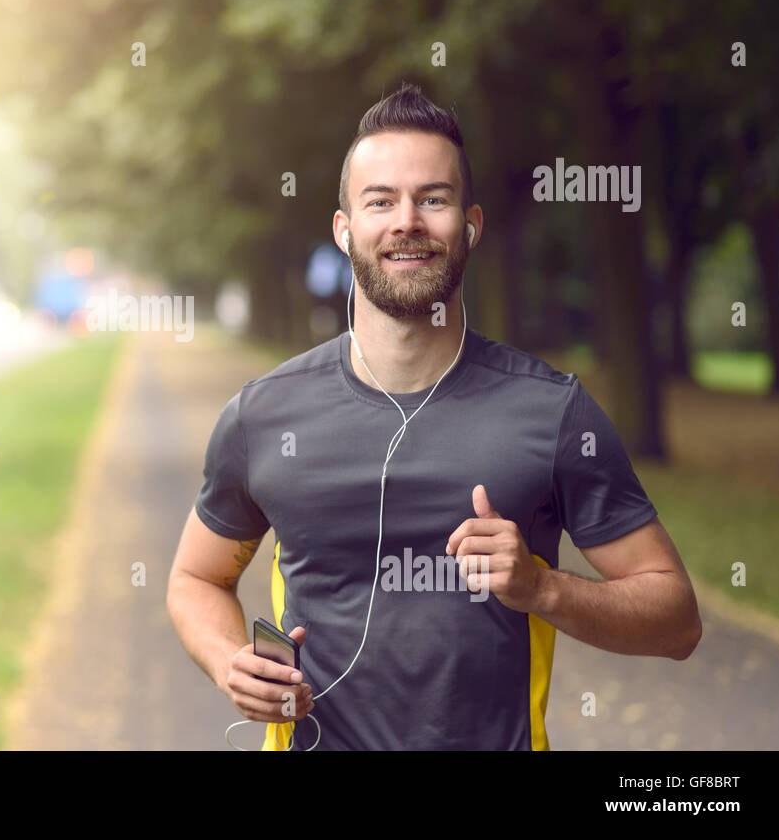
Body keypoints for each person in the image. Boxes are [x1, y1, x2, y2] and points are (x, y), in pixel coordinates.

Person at [165, 83, 702, 750]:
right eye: (380, 200)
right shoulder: (264, 415)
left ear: (470, 224)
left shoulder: (552, 412)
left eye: (433, 198)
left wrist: (544, 588)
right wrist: (228, 662)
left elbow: (676, 619)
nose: (407, 221)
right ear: (345, 229)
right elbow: (196, 577)